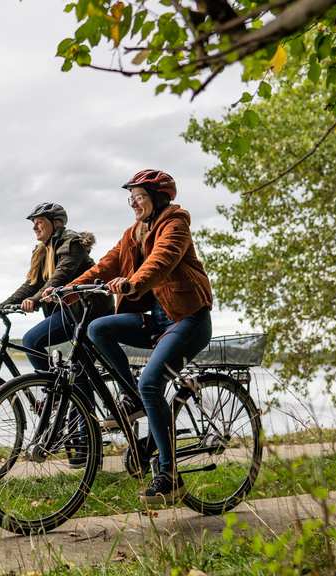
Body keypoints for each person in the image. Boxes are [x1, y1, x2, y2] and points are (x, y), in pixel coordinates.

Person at [47, 170, 213, 505]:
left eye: (139, 196)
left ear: (158, 198)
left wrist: (132, 282)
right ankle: (132, 398)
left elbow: (161, 261)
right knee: (98, 328)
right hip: (155, 319)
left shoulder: (175, 224)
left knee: (151, 382)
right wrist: (70, 290)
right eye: (131, 198)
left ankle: (169, 477)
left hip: (187, 319)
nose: (134, 203)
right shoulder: (133, 232)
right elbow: (105, 265)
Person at [0, 202, 113, 371]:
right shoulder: (43, 251)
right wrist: (1, 308)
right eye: (33, 223)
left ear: (56, 222)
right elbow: (31, 284)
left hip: (88, 310)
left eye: (39, 221)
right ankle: (56, 391)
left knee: (33, 342)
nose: (34, 227)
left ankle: (54, 389)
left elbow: (60, 277)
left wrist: (35, 300)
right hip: (68, 312)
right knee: (77, 371)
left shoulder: (72, 243)